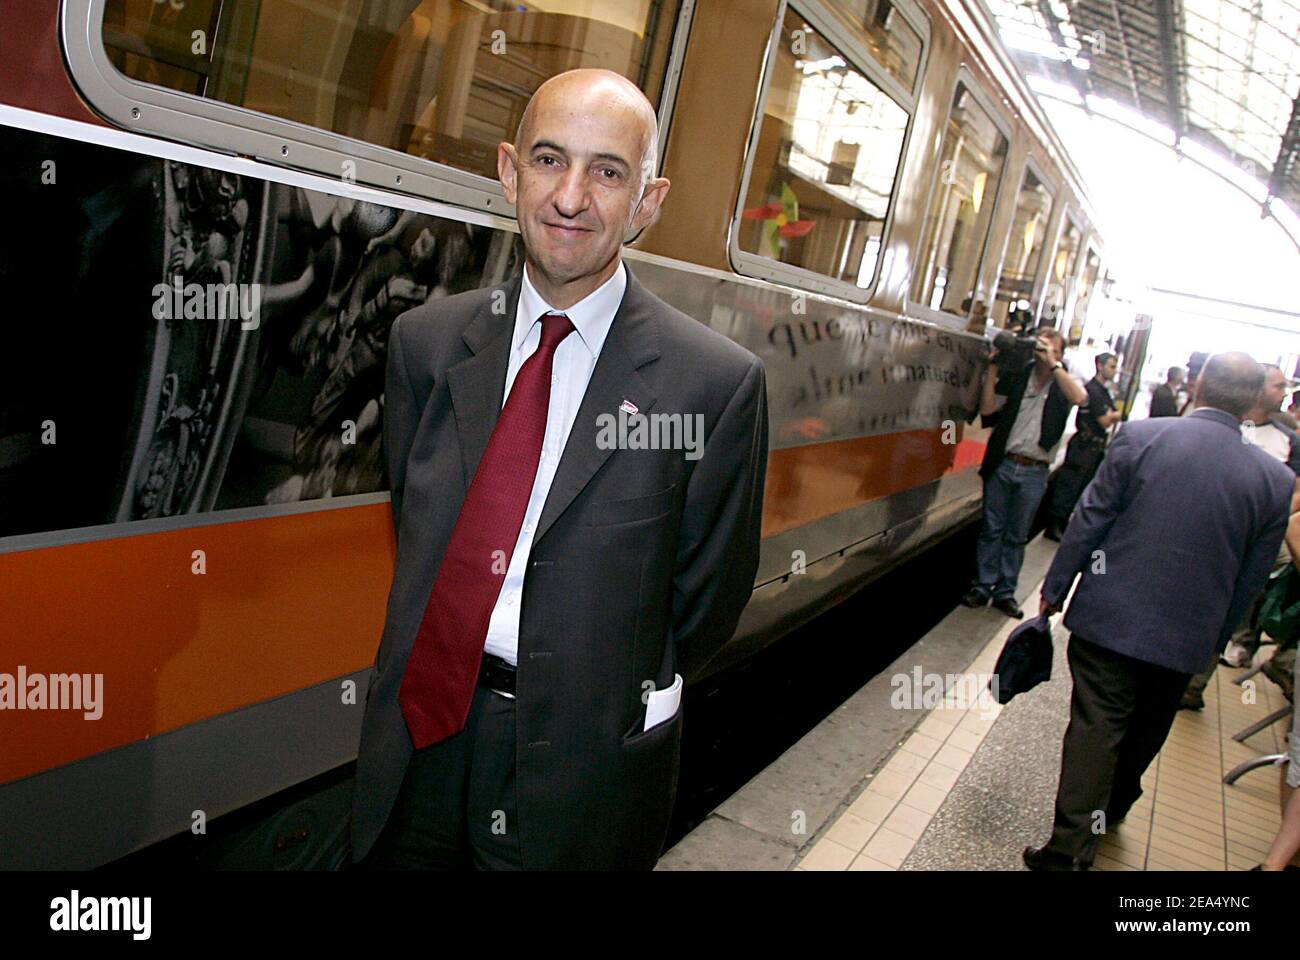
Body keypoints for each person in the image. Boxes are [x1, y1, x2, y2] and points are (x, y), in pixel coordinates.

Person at [350, 69, 769, 870]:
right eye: (549, 161)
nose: (569, 198)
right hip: (419, 741)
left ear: (648, 202)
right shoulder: (426, 344)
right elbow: (418, 520)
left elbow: (706, 604)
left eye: (607, 172)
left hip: (578, 774)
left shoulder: (712, 385)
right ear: (509, 172)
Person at [1024, 353, 1296, 871]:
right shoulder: (1273, 480)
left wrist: (1056, 587)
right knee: (1147, 728)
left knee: (1095, 727)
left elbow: (1092, 516)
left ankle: (1068, 850)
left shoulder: (1141, 438)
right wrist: (1214, 641)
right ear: (1255, 401)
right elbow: (1252, 578)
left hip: (1110, 617)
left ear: (1197, 385)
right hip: (1188, 636)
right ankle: (1115, 807)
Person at [1182, 365, 1300, 701]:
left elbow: (1296, 492)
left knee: (1227, 610)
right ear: (1257, 390)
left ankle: (1193, 685)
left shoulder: (1287, 440)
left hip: (1252, 541)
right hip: (1208, 531)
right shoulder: (1229, 428)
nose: (1284, 393)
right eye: (1279, 386)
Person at [961, 326, 1087, 618]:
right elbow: (989, 411)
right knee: (992, 529)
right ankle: (983, 586)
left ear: (1060, 354)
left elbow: (1080, 398)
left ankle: (1005, 592)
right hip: (1005, 464)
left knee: (1016, 534)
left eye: (1050, 348)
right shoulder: (1019, 376)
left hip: (1034, 470)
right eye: (1039, 346)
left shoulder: (1062, 382)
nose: (1041, 353)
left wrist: (1054, 364)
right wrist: (993, 368)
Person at [1045, 352, 1121, 541]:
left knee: (1080, 487)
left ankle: (1063, 523)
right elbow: (1105, 420)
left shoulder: (1103, 392)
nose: (1114, 371)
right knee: (1069, 486)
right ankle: (1054, 524)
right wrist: (1115, 415)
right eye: (1111, 366)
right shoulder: (1093, 390)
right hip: (1083, 446)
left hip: (1094, 448)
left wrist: (1114, 415)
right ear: (1100, 366)